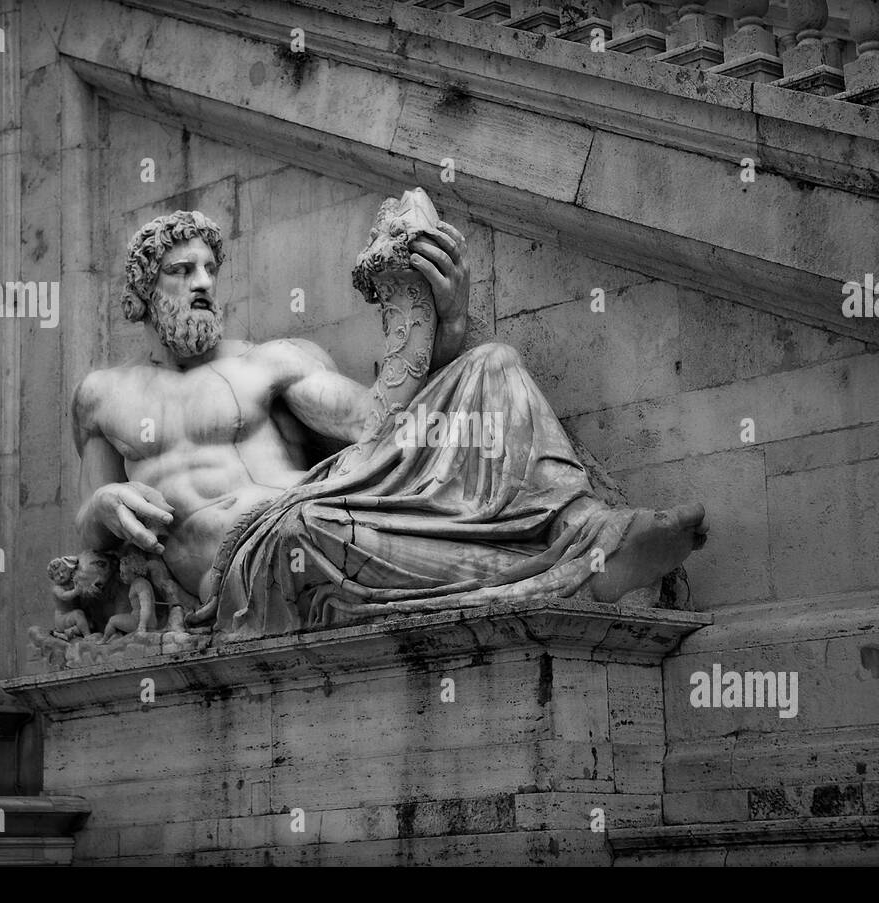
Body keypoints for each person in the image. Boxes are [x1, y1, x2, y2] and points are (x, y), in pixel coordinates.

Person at [72, 202, 706, 640]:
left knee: (493, 363)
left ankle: (591, 535)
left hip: (326, 499)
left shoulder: (271, 363)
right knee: (306, 528)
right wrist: (101, 505)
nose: (203, 282)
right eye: (183, 271)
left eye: (211, 268)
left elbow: (379, 423)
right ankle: (567, 572)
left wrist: (449, 322)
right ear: (145, 291)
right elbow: (88, 542)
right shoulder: (103, 396)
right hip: (253, 561)